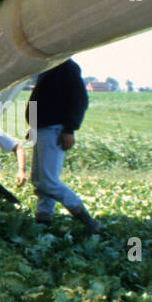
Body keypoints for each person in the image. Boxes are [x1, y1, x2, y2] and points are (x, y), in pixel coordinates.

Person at [29, 58, 100, 234]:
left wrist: (70, 129)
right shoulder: (49, 67)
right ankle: (43, 219)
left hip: (54, 129)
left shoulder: (67, 67)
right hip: (42, 128)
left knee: (48, 180)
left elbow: (80, 99)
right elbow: (41, 99)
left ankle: (86, 220)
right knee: (39, 179)